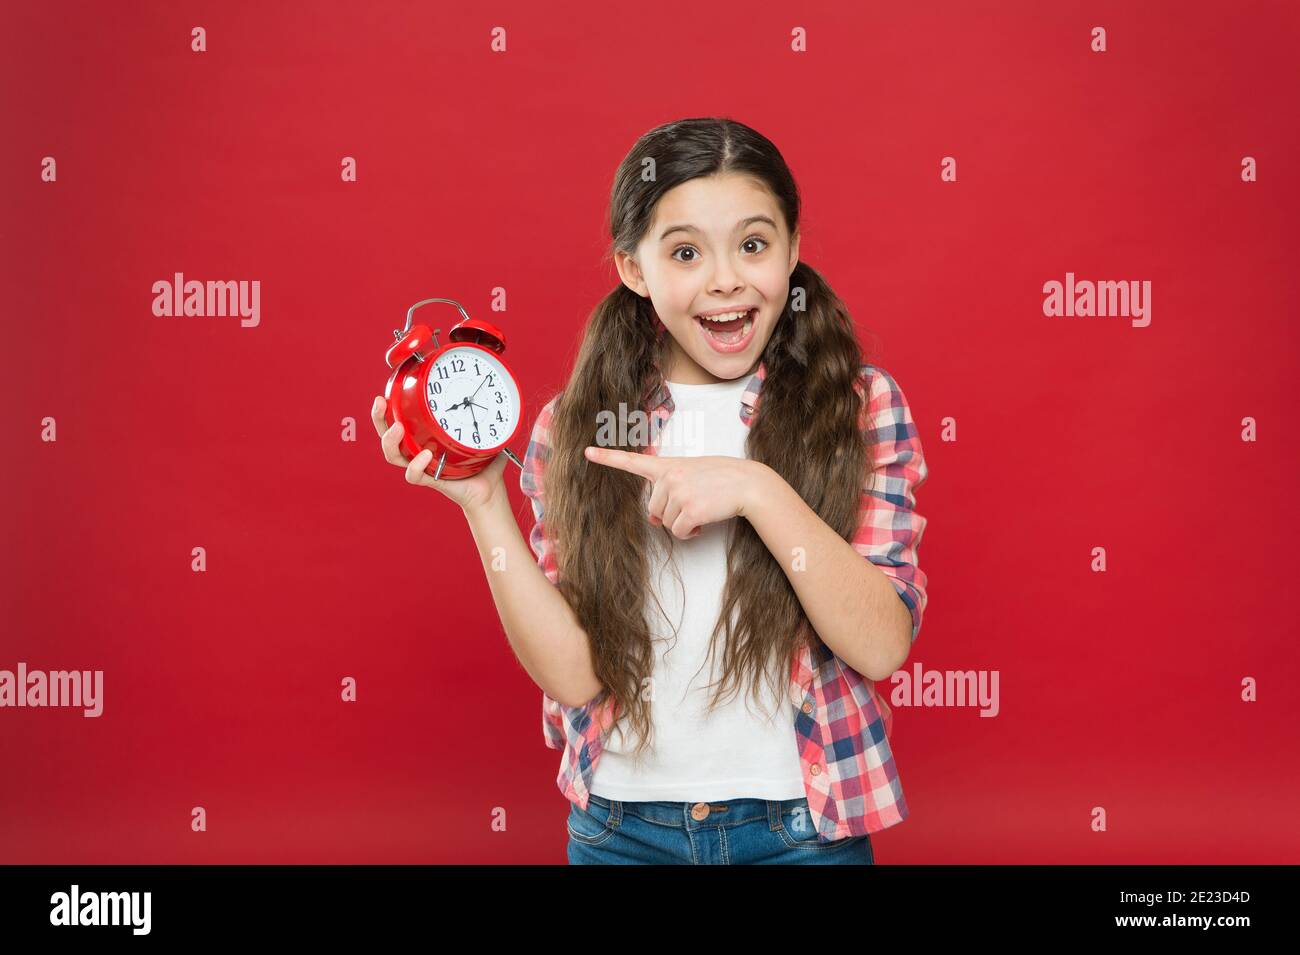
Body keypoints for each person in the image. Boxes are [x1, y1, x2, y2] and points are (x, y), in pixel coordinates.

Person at [372, 116, 928, 864]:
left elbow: (882, 642)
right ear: (634, 268)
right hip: (622, 832)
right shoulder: (578, 427)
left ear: (793, 250)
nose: (726, 278)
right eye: (687, 252)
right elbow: (576, 674)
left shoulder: (859, 405)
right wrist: (482, 502)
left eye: (754, 245)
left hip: (803, 829)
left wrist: (755, 488)